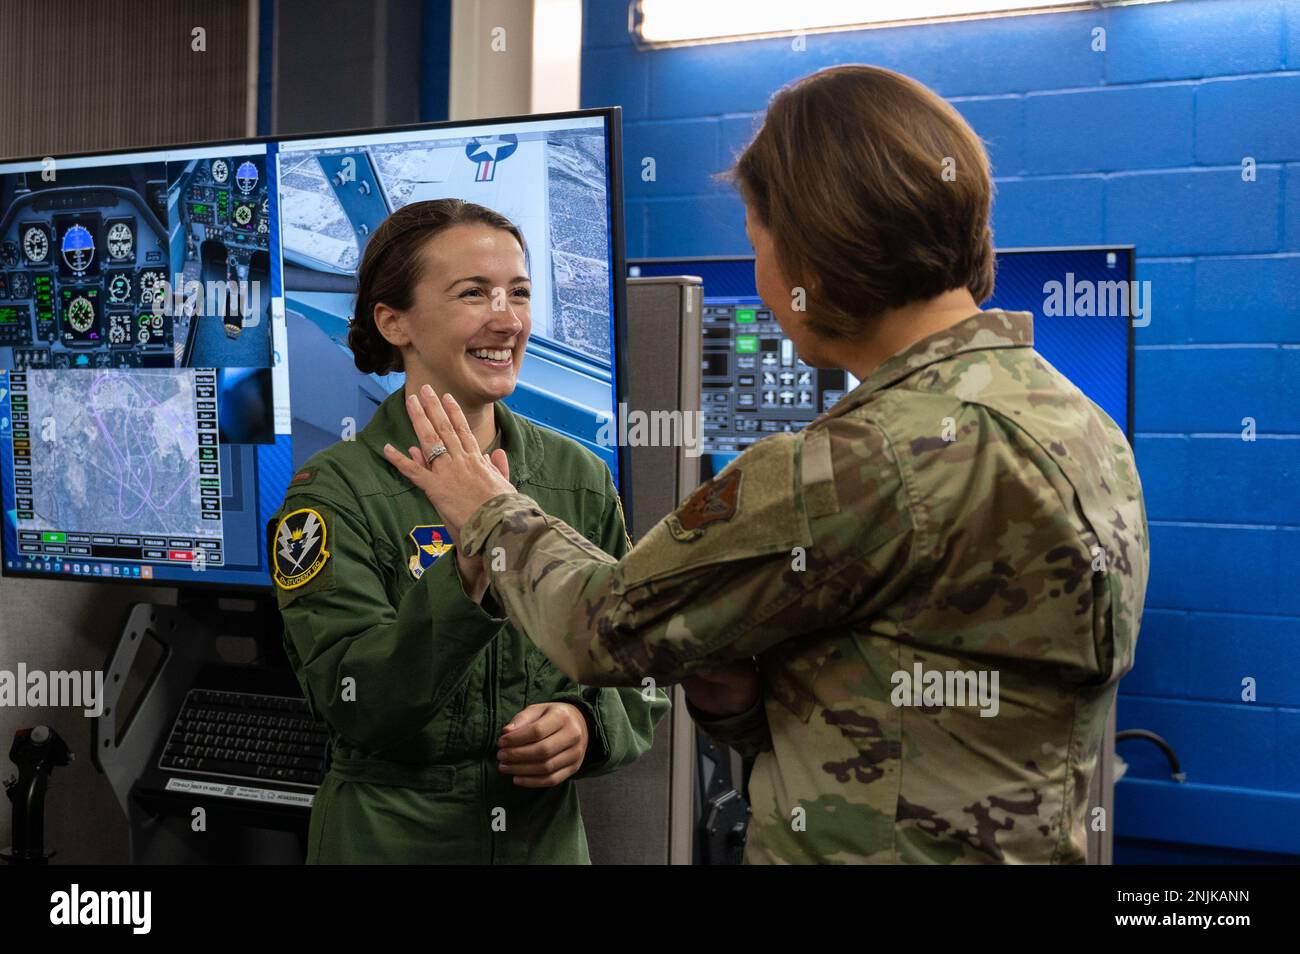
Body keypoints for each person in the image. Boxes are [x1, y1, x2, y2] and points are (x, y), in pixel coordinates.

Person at [384, 65, 1150, 865]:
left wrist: (489, 509)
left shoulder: (859, 460)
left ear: (818, 251)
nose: (764, 280)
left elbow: (601, 626)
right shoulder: (1078, 424)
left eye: (760, 245)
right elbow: (937, 717)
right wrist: (751, 702)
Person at [266, 198, 669, 864]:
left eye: (519, 293)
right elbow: (353, 699)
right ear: (394, 322)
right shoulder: (333, 494)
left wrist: (585, 725)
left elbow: (640, 660)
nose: (506, 318)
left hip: (541, 841)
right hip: (391, 839)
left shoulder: (579, 477)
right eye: (473, 294)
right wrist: (464, 585)